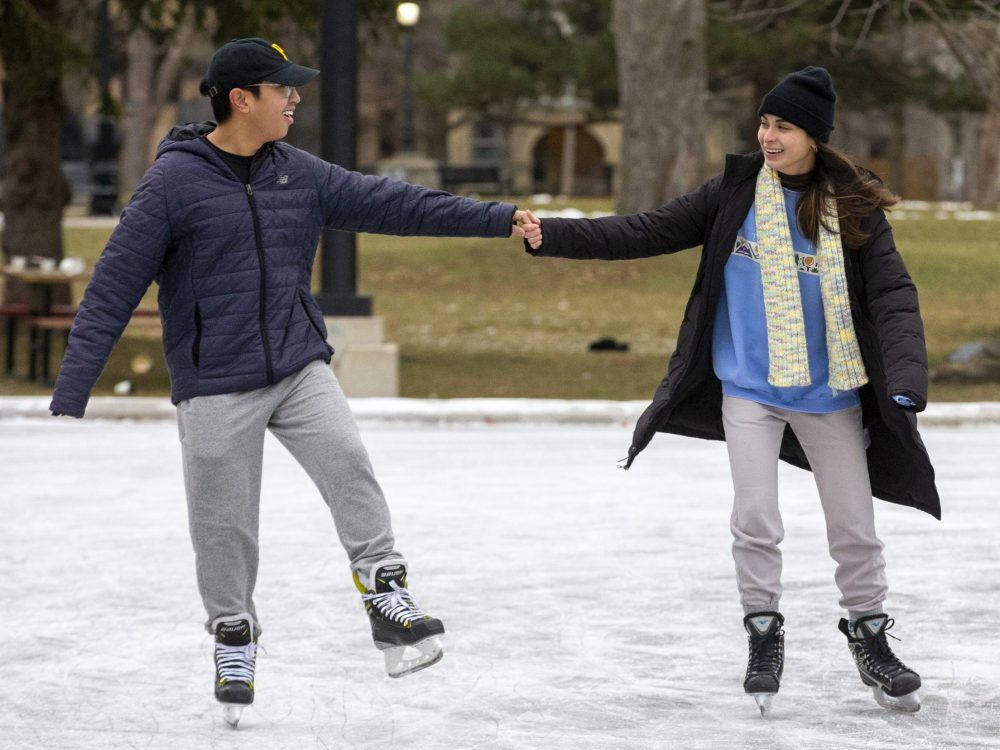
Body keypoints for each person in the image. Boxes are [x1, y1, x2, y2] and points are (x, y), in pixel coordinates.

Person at [49, 38, 532, 728]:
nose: (296, 97)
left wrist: (495, 218)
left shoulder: (296, 172)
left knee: (350, 465)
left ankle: (386, 596)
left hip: (298, 365)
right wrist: (75, 386)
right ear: (241, 99)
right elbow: (113, 286)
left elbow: (394, 204)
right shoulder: (172, 185)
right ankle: (234, 636)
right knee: (223, 525)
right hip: (215, 379)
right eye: (283, 88)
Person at [520, 67, 938, 716]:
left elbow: (892, 295)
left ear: (816, 138)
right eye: (765, 124)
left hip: (829, 393)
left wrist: (907, 379)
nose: (769, 136)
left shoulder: (851, 208)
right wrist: (555, 234)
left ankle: (870, 637)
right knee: (755, 520)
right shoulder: (735, 195)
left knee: (855, 527)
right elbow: (647, 230)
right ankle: (764, 632)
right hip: (749, 388)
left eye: (785, 127)